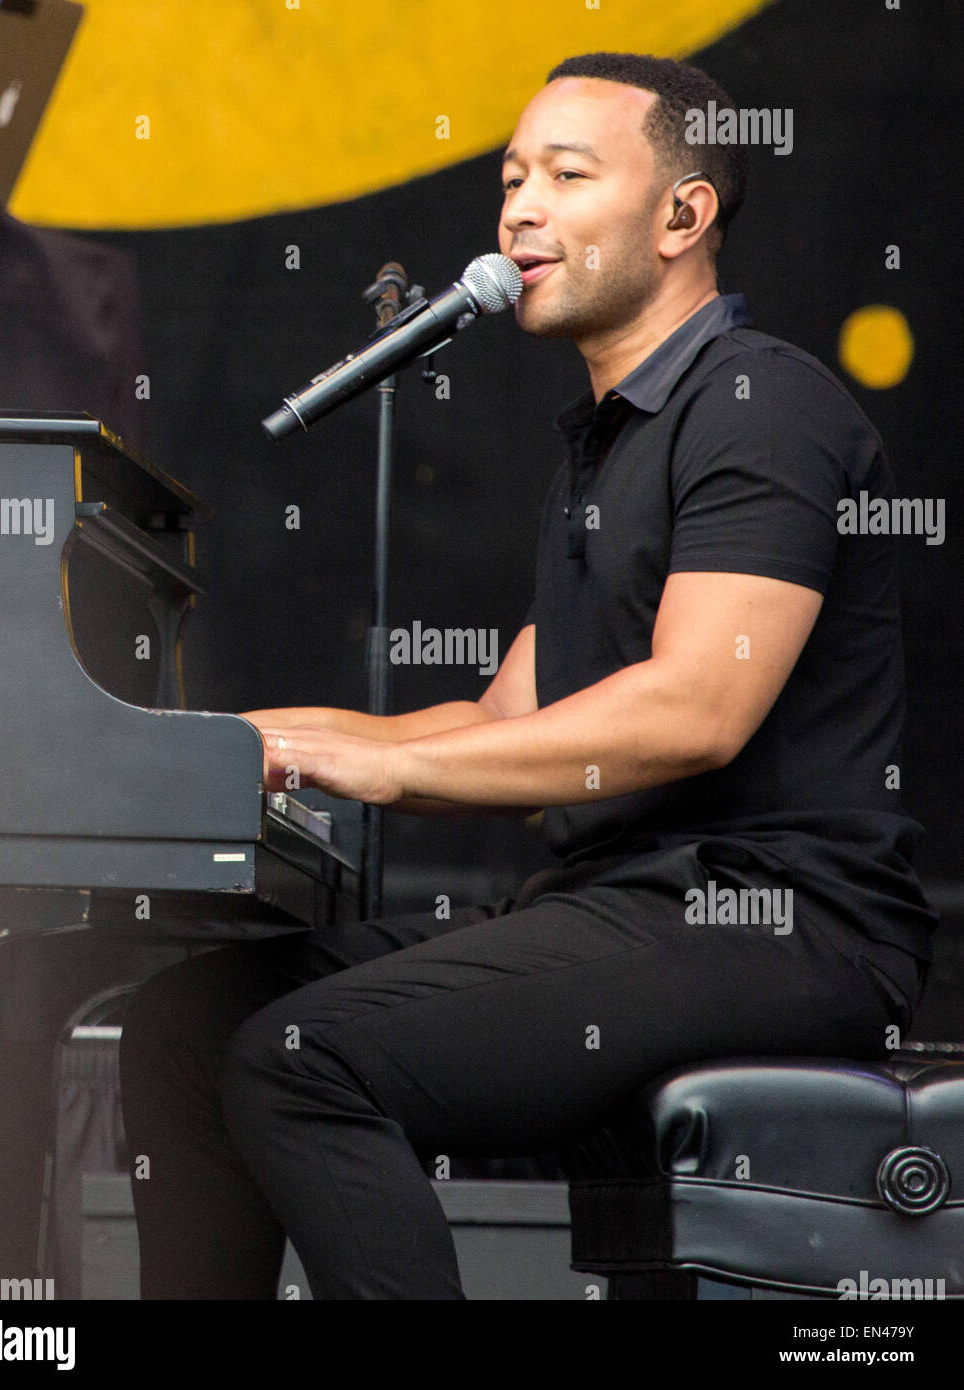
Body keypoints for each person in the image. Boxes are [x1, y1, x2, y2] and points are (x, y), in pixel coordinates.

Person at [118, 51, 939, 1300]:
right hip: (610, 905)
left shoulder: (761, 407)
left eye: (564, 174)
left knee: (298, 1056)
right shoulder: (608, 448)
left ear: (682, 214)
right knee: (180, 1029)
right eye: (509, 177)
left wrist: (376, 764)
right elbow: (505, 717)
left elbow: (694, 710)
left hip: (773, 922)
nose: (517, 209)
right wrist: (221, 738)